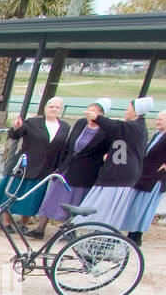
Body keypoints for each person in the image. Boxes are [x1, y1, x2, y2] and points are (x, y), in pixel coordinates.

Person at [30, 98, 112, 238]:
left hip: (86, 173)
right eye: (88, 110)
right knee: (52, 197)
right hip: (67, 167)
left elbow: (109, 151)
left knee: (75, 202)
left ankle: (69, 231)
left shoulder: (106, 131)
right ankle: (40, 229)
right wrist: (59, 165)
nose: (88, 114)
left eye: (93, 112)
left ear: (101, 114)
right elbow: (68, 145)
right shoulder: (81, 123)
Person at [0, 97, 68, 227]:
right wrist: (15, 127)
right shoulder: (33, 122)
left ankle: (24, 224)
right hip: (24, 165)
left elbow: (62, 148)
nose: (54, 109)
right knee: (13, 193)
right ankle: (6, 222)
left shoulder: (64, 127)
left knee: (32, 199)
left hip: (44, 169)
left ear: (61, 110)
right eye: (51, 107)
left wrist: (57, 167)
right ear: (45, 108)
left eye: (57, 107)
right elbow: (16, 135)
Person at [77, 96, 154, 228]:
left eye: (128, 109)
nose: (125, 111)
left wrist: (97, 117)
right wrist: (113, 156)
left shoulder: (134, 127)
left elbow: (114, 126)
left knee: (105, 207)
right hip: (121, 173)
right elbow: (124, 146)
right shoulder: (135, 128)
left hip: (120, 176)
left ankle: (102, 232)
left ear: (136, 113)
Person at [122, 108, 166, 244]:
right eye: (157, 119)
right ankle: (132, 233)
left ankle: (136, 236)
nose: (157, 122)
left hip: (156, 178)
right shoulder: (158, 134)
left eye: (161, 119)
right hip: (145, 174)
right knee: (136, 206)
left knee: (143, 208)